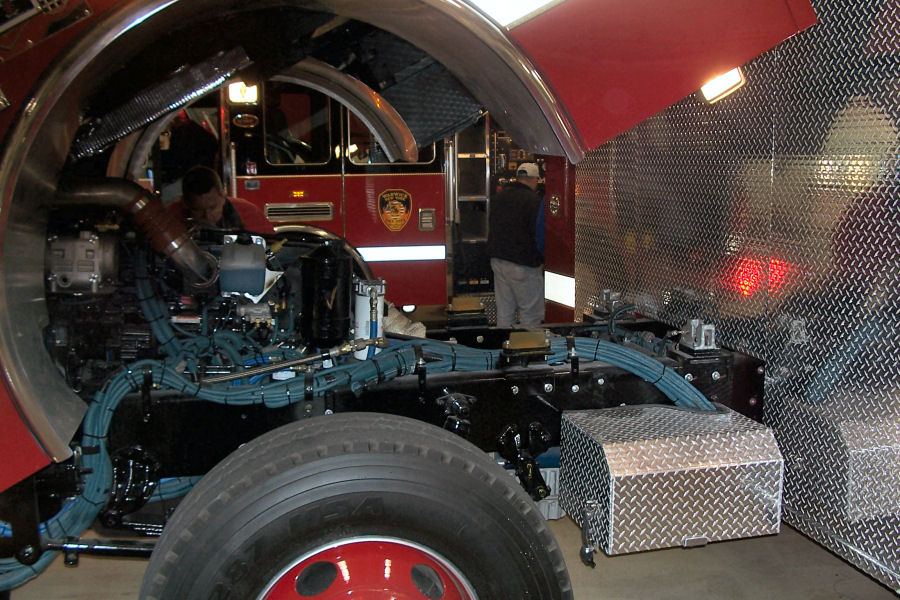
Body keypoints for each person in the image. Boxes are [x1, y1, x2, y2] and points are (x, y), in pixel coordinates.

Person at [487, 162, 545, 328]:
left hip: (498, 260)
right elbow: (538, 232)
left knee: (505, 313)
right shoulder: (534, 200)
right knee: (530, 315)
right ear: (534, 179)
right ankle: (529, 351)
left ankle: (504, 347)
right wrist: (541, 257)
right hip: (523, 264)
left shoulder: (501, 196)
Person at [172, 166, 273, 233]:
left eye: (213, 208)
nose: (207, 216)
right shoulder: (170, 218)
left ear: (224, 196)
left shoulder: (249, 213)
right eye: (198, 210)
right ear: (184, 203)